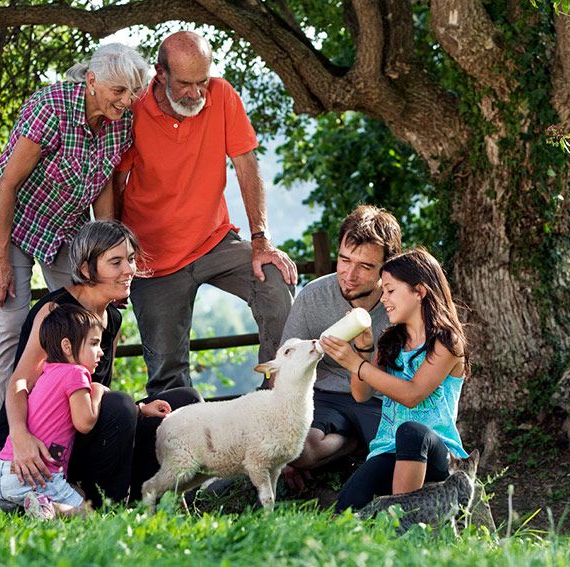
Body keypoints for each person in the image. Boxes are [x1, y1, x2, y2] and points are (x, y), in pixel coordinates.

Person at [0, 43, 150, 440]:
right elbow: (8, 187)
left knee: (84, 313)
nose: (126, 101)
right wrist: (1, 261)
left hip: (64, 225)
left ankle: (73, 428)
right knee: (14, 322)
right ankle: (7, 439)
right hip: (12, 218)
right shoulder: (51, 107)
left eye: (132, 93)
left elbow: (105, 184)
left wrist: (110, 258)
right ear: (92, 81)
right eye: (119, 91)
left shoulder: (120, 122)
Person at [111, 30, 297, 395]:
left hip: (214, 243)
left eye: (202, 82)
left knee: (275, 282)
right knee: (167, 371)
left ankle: (276, 399)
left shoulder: (222, 95)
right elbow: (115, 183)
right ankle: (183, 444)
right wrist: (114, 254)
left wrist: (261, 240)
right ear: (160, 74)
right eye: (185, 84)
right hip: (152, 259)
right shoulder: (132, 112)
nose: (196, 94)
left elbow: (246, 165)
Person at [0, 220, 202, 506]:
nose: (128, 270)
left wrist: (140, 411)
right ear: (88, 269)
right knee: (121, 404)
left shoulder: (111, 317)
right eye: (115, 262)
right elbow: (19, 382)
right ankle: (107, 505)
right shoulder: (57, 313)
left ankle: (152, 498)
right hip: (42, 443)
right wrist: (20, 437)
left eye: (129, 259)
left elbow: (92, 391)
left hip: (79, 427)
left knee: (184, 401)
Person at [320, 248, 470, 513]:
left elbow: (412, 394)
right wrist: (364, 349)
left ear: (419, 292)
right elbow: (361, 394)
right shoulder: (391, 341)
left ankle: (403, 520)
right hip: (388, 450)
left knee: (412, 431)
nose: (384, 299)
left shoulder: (447, 342)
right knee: (344, 512)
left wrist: (356, 363)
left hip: (436, 453)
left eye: (390, 290)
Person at [280, 205, 402, 489]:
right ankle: (353, 443)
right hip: (326, 396)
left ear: (387, 268)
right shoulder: (313, 296)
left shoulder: (399, 302)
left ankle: (364, 444)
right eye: (344, 260)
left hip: (380, 400)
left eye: (365, 266)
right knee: (298, 450)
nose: (349, 274)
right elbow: (286, 369)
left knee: (397, 461)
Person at [0, 303, 109, 519]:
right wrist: (98, 392)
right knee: (89, 515)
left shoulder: (48, 371)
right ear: (67, 346)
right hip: (35, 475)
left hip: (4, 471)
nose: (101, 352)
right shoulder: (76, 373)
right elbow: (85, 422)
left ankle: (38, 502)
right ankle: (48, 507)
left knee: (76, 494)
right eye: (94, 344)